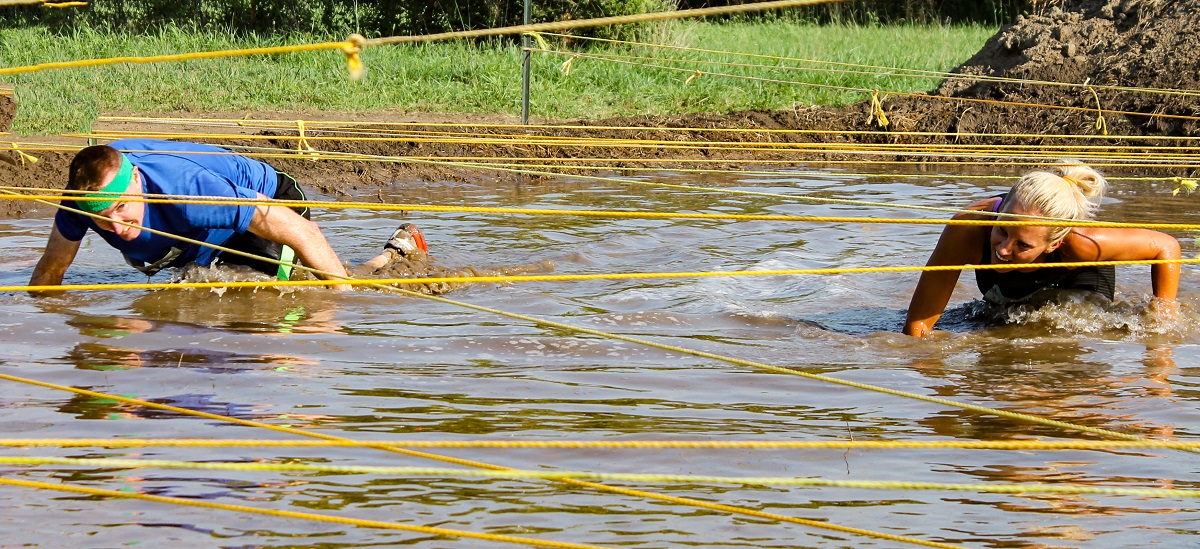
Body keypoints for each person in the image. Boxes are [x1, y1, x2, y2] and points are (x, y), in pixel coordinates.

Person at [29, 138, 428, 293]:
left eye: (121, 209)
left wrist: (338, 315)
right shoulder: (82, 201)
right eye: (101, 219)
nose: (116, 228)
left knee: (290, 293)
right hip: (201, 237)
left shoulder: (188, 190)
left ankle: (393, 254)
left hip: (272, 202)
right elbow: (49, 273)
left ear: (136, 180)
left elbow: (303, 233)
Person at [903, 161, 1180, 338]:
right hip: (1008, 289)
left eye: (1022, 244)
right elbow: (918, 325)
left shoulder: (1082, 244)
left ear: (1054, 243)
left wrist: (1162, 322)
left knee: (1060, 338)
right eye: (1002, 231)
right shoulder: (969, 228)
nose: (1004, 249)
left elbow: (1166, 247)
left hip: (1077, 280)